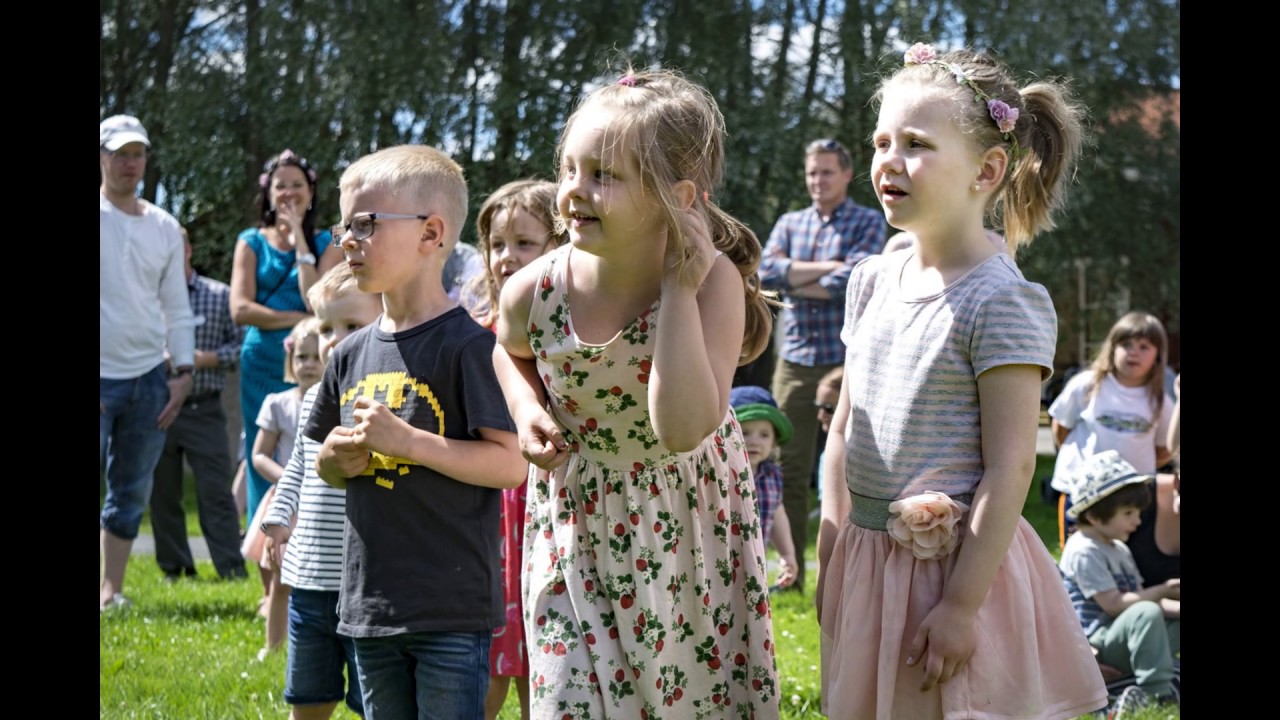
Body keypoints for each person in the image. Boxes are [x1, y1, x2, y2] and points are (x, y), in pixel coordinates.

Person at [815, 43, 1106, 719]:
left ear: (988, 169)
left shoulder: (1000, 299)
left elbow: (1011, 468)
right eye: (882, 141)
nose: (890, 160)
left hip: (950, 574)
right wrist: (831, 551)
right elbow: (844, 431)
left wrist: (960, 604)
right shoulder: (871, 280)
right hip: (866, 564)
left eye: (916, 144)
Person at [492, 67, 781, 718]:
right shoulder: (535, 290)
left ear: (677, 198)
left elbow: (681, 429)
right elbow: (507, 350)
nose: (574, 190)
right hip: (578, 525)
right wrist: (526, 406)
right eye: (569, 169)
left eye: (603, 175)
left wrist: (678, 290)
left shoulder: (712, 287)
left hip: (687, 533)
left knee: (690, 702)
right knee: (569, 698)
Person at [308, 144, 524, 719]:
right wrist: (335, 459)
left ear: (431, 233)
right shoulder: (348, 353)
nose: (348, 241)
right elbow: (324, 463)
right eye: (343, 227)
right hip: (369, 606)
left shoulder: (471, 347)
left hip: (450, 609)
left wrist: (409, 444)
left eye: (366, 224)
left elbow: (509, 464)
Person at [758, 137, 886, 591]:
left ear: (847, 174)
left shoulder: (868, 221)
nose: (818, 180)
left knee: (855, 469)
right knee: (787, 469)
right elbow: (765, 274)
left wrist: (796, 275)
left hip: (846, 359)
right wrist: (827, 267)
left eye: (827, 172)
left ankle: (851, 577)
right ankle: (791, 573)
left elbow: (855, 279)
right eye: (812, 172)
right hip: (794, 360)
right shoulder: (790, 222)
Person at [467, 179, 569, 720]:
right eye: (497, 244)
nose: (507, 256)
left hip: (547, 503)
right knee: (485, 665)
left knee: (541, 657)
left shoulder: (569, 332)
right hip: (491, 516)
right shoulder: (475, 334)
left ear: (560, 243)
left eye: (524, 242)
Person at [262, 263, 382, 720]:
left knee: (375, 697)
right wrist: (278, 519)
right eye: (327, 328)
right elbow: (297, 465)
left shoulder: (382, 400)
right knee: (309, 694)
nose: (335, 339)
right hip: (310, 576)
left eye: (352, 325)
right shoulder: (315, 397)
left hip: (366, 581)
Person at [100, 114, 197, 611]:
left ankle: (109, 592)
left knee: (130, 491)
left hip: (149, 380)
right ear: (102, 158)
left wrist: (184, 372)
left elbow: (176, 306)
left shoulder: (164, 227)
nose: (130, 163)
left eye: (137, 154)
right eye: (120, 153)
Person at [230, 149, 341, 551]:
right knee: (262, 448)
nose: (289, 192)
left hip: (314, 360)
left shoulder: (329, 241)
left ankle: (307, 541)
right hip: (261, 362)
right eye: (281, 186)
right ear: (268, 192)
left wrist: (298, 237)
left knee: (306, 442)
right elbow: (240, 309)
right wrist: (295, 318)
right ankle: (263, 544)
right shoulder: (250, 241)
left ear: (311, 192)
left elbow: (316, 299)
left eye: (297, 185)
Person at [148, 228, 248, 582]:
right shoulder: (146, 298)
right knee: (162, 494)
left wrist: (204, 359)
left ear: (188, 249)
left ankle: (231, 569)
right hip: (158, 409)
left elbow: (243, 345)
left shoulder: (219, 295)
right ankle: (176, 570)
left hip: (204, 409)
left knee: (216, 493)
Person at [1058, 450, 1180, 713]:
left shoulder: (1119, 548)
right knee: (1146, 613)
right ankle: (1156, 693)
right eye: (1128, 513)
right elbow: (1115, 605)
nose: (1137, 520)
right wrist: (1163, 590)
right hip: (1097, 643)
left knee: (1160, 616)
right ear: (1094, 515)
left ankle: (1143, 677)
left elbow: (1139, 601)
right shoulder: (1084, 550)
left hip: (1124, 632)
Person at [1048, 311, 1174, 546]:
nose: (1134, 352)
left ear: (1158, 355)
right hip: (1082, 492)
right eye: (1126, 344)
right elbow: (1061, 428)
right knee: (1080, 553)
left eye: (1144, 346)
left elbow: (1165, 449)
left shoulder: (1159, 401)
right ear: (1112, 348)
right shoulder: (1087, 384)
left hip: (1130, 498)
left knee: (1126, 557)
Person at [244, 317, 324, 661]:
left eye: (315, 357)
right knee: (281, 577)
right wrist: (288, 476)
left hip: (322, 502)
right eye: (301, 357)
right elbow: (259, 455)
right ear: (290, 360)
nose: (308, 364)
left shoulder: (336, 402)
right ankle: (273, 645)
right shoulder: (278, 403)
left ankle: (318, 645)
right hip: (289, 503)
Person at [730, 385, 800, 591]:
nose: (754, 441)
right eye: (745, 432)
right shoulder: (719, 474)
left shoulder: (772, 475)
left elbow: (776, 514)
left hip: (755, 563)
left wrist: (787, 554)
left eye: (764, 435)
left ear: (775, 441)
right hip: (718, 561)